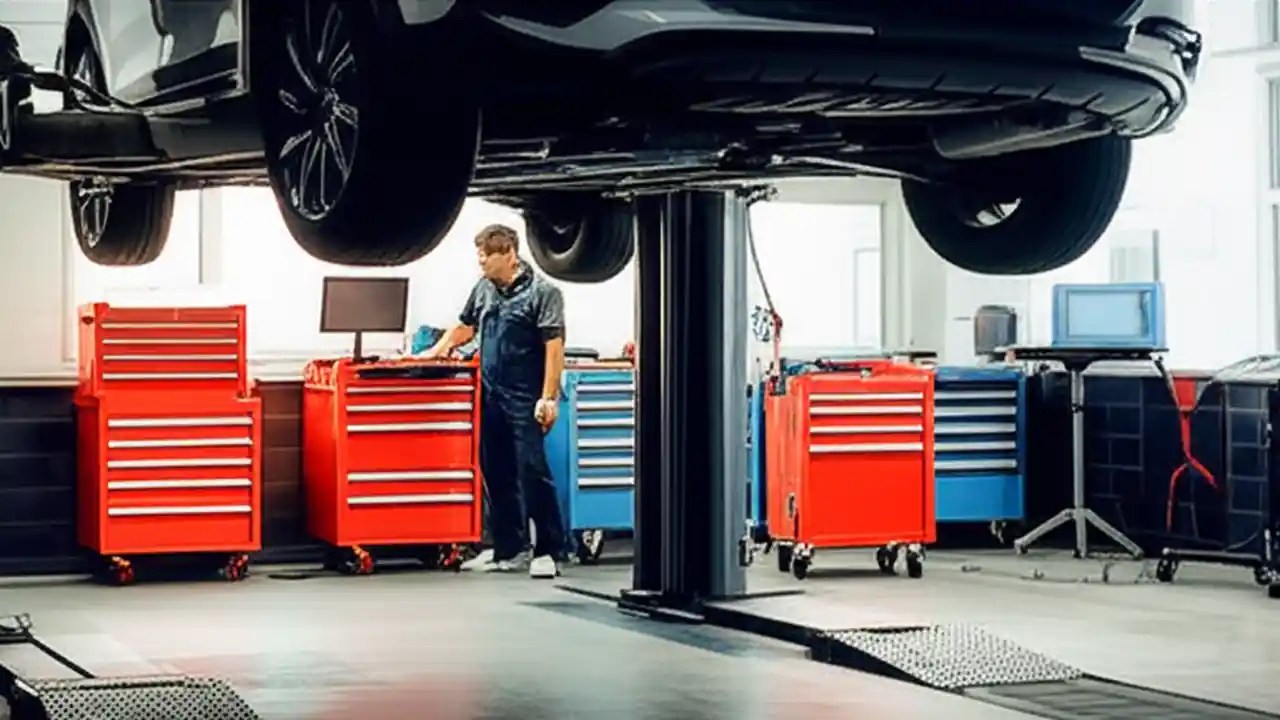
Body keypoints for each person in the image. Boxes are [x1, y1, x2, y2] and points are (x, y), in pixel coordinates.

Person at [420, 223, 568, 578]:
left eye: (487, 255)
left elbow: (554, 348)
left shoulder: (544, 293)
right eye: (480, 255)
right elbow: (466, 326)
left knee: (533, 470)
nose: (481, 262)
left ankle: (551, 550)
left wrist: (548, 398)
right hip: (490, 394)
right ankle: (510, 550)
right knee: (497, 472)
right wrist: (438, 350)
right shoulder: (484, 288)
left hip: (525, 396)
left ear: (510, 255)